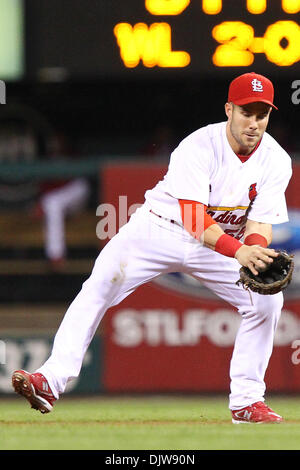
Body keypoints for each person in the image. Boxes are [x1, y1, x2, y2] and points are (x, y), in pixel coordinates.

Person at [12, 72, 292, 424]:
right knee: (101, 283)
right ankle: (50, 380)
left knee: (267, 301)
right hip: (161, 228)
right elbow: (193, 218)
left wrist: (255, 250)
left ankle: (247, 402)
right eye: (246, 112)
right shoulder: (199, 146)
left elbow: (260, 222)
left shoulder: (276, 160)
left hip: (221, 244)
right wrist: (240, 252)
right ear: (229, 110)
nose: (253, 123)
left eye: (261, 114)